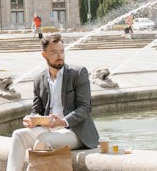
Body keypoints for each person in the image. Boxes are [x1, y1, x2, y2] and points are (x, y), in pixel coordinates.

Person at [6, 33, 100, 171]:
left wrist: (62, 122)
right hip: (49, 128)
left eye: (62, 51)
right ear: (44, 55)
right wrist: (33, 119)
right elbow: (36, 110)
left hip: (75, 131)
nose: (60, 56)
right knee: (18, 135)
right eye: (54, 52)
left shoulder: (78, 73)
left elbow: (85, 108)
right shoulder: (39, 79)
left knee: (43, 140)